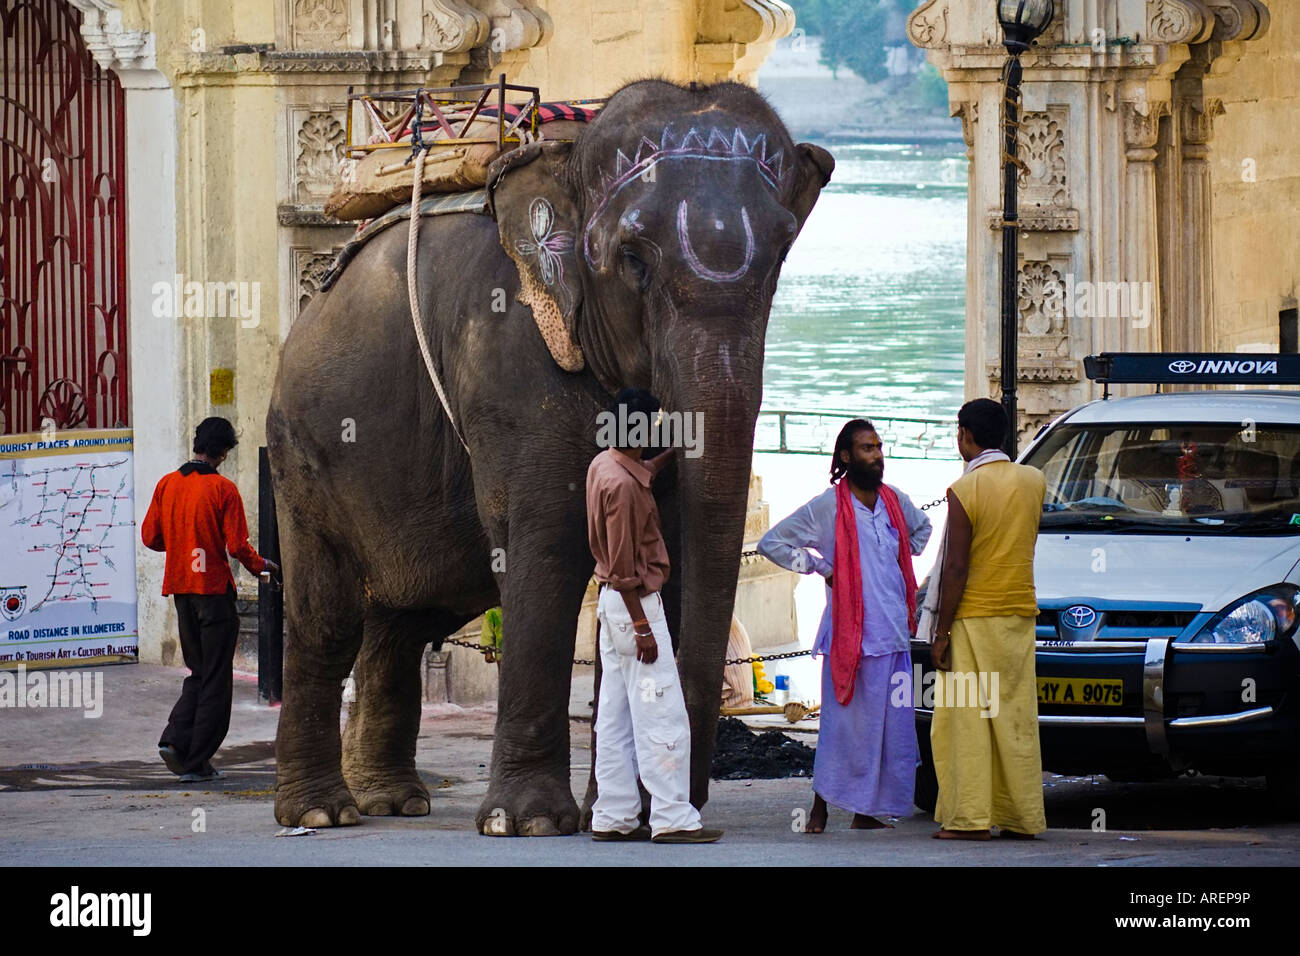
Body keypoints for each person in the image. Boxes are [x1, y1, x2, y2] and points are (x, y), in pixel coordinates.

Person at [758, 419, 931, 832]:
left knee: (887, 731)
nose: (877, 456)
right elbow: (773, 542)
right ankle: (820, 806)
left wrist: (893, 560)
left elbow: (922, 530)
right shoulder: (828, 507)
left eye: (879, 447)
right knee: (842, 728)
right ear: (846, 457)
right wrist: (821, 567)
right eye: (867, 449)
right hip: (851, 639)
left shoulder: (893, 502)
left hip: (892, 634)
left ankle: (865, 812)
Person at [585, 388, 722, 844]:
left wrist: (667, 456)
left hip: (611, 603)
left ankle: (614, 815)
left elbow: (639, 474)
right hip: (634, 603)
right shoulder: (623, 487)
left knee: (616, 715)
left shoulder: (604, 466)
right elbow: (626, 569)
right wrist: (643, 628)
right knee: (661, 714)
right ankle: (671, 817)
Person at [927, 398, 1046, 841]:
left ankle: (969, 819)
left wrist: (941, 632)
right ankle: (1021, 817)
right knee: (1014, 719)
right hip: (1018, 614)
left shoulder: (965, 489)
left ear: (966, 436)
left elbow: (956, 567)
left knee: (966, 722)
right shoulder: (1034, 480)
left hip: (974, 617)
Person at [142, 417, 278, 782]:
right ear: (223, 452)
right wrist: (263, 565)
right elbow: (237, 546)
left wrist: (183, 541)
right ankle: (196, 761)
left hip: (181, 592)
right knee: (217, 679)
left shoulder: (167, 484)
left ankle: (174, 741)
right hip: (214, 594)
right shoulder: (223, 489)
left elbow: (151, 537)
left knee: (198, 672)